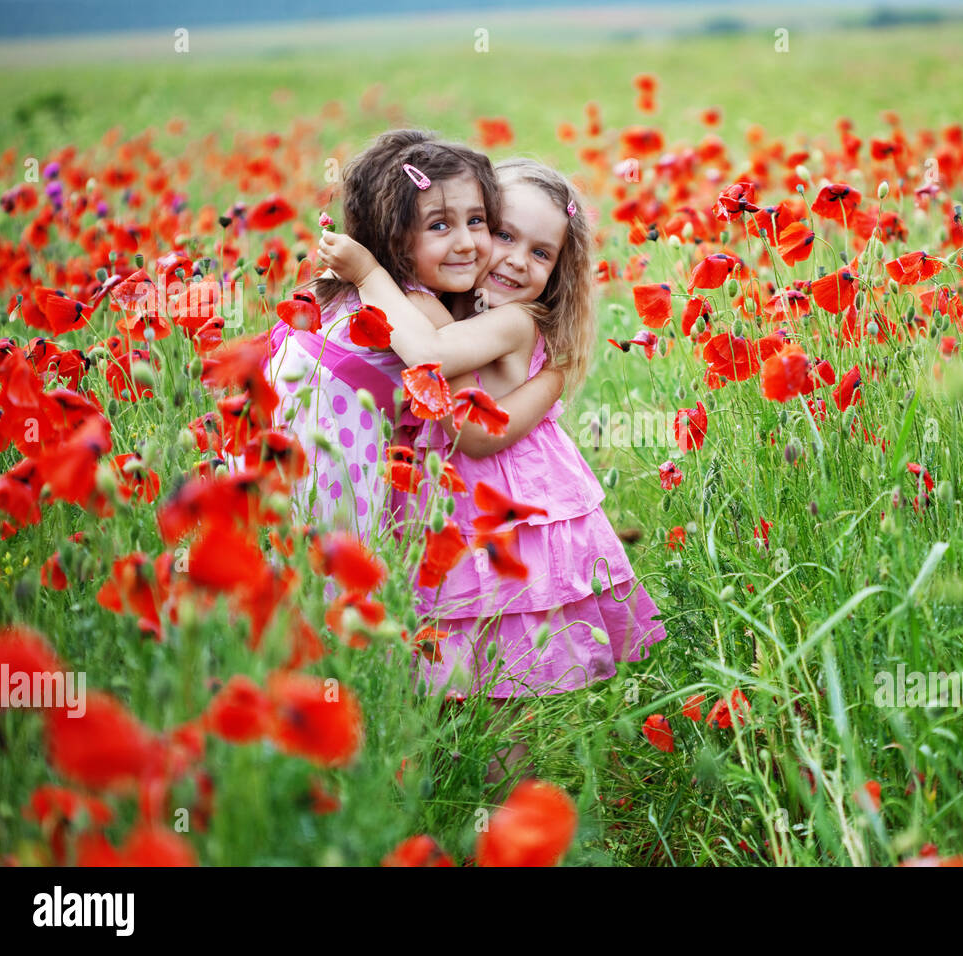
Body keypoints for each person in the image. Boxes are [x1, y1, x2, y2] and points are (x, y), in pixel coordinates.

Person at [319, 159, 666, 777]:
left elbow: (466, 419)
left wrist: (370, 274)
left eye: (541, 252)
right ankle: (453, 800)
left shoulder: (513, 321)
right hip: (454, 513)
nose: (513, 260)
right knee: (446, 670)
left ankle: (504, 815)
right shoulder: (461, 309)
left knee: (503, 685)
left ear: (559, 270)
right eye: (502, 234)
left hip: (505, 518)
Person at [263, 131, 561, 543]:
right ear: (392, 235)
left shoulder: (353, 283)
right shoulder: (411, 302)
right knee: (334, 566)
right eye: (439, 225)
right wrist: (552, 379)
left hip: (284, 439)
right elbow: (436, 367)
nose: (466, 243)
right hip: (329, 449)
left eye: (477, 221)